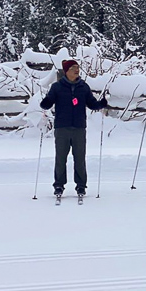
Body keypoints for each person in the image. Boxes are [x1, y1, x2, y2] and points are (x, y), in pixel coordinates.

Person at [39, 59, 109, 198]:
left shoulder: (84, 87)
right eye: (73, 68)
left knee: (80, 158)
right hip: (62, 128)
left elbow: (91, 103)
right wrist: (45, 103)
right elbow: (48, 102)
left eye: (77, 67)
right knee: (60, 158)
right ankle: (59, 185)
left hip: (79, 128)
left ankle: (81, 186)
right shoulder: (57, 87)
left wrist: (101, 104)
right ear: (66, 71)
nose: (76, 70)